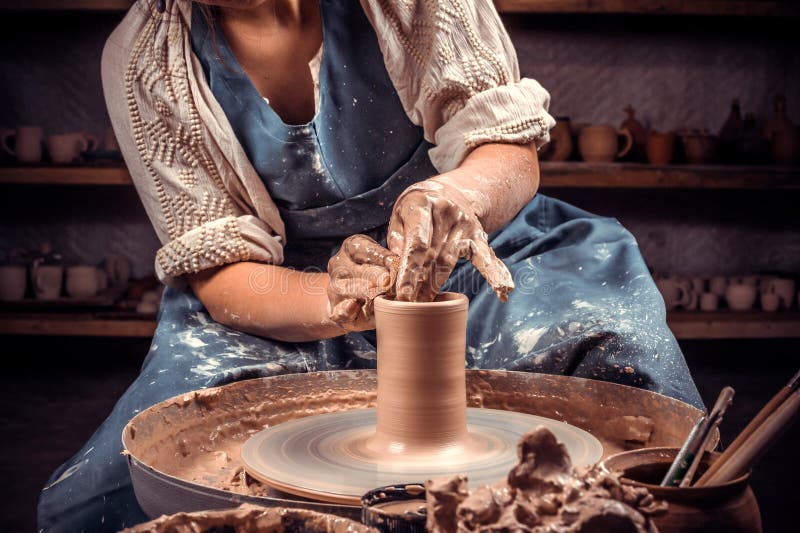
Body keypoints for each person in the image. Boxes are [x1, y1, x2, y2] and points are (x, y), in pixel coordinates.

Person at [38, 0, 702, 530]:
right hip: (285, 286)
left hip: (471, 238)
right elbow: (225, 274)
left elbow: (508, 150)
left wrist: (450, 195)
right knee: (118, 485)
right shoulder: (146, 57)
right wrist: (330, 296)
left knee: (619, 351)